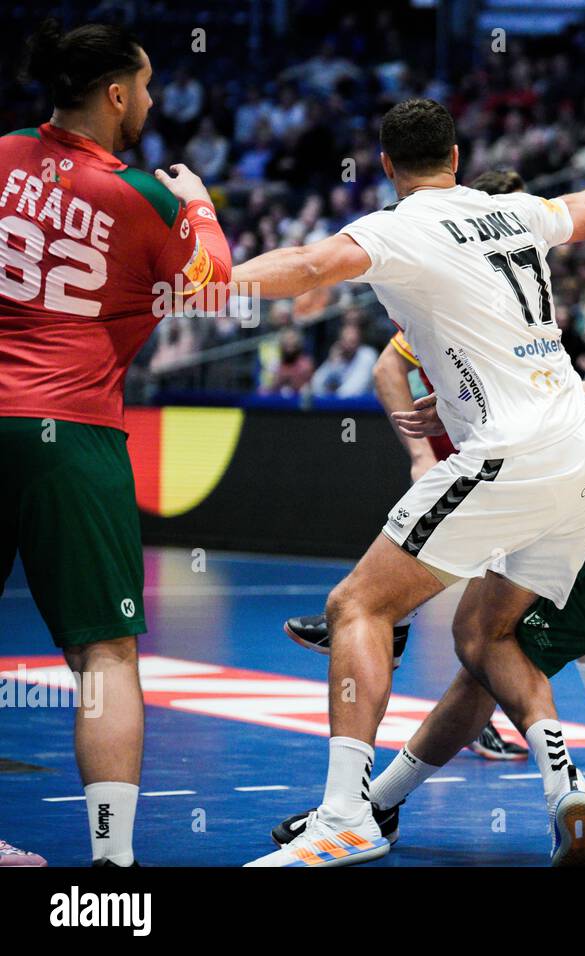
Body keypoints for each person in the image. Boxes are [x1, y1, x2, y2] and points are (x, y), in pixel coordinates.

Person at [234, 99, 585, 867]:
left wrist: (204, 279)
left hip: (518, 450)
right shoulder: (511, 212)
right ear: (460, 157)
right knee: (487, 633)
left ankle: (346, 816)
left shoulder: (396, 226)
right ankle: (565, 788)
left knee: (357, 606)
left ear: (388, 166)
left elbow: (305, 267)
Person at [282, 169, 585, 763]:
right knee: (475, 611)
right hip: (504, 454)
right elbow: (384, 368)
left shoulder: (500, 270)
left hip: (521, 449)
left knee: (506, 605)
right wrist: (425, 452)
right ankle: (426, 676)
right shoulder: (464, 273)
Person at [0, 20, 231, 866]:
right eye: (148, 85)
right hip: (71, 433)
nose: (156, 99)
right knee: (104, 654)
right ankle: (112, 862)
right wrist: (200, 203)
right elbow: (211, 287)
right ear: (117, 94)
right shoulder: (144, 196)